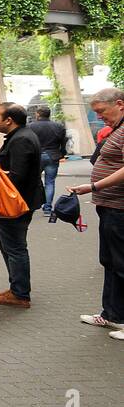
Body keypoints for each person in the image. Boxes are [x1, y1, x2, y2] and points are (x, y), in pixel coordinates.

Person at [69, 88, 124, 340]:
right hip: (110, 206)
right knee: (110, 262)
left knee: (120, 263)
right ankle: (112, 314)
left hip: (119, 208)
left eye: (102, 111)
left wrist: (94, 186)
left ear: (120, 104)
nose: (100, 117)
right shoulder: (118, 129)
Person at [0, 103, 43, 309]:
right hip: (20, 201)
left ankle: (20, 293)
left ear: (9, 120)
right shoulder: (22, 136)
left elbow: (17, 177)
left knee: (14, 247)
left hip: (15, 203)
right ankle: (16, 288)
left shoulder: (21, 139)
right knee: (4, 242)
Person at [28, 105, 68, 214]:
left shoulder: (31, 127)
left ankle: (32, 205)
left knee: (33, 180)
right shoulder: (58, 126)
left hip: (36, 156)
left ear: (37, 114)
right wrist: (62, 153)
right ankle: (47, 208)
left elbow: (27, 142)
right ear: (49, 114)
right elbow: (63, 141)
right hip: (53, 155)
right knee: (50, 182)